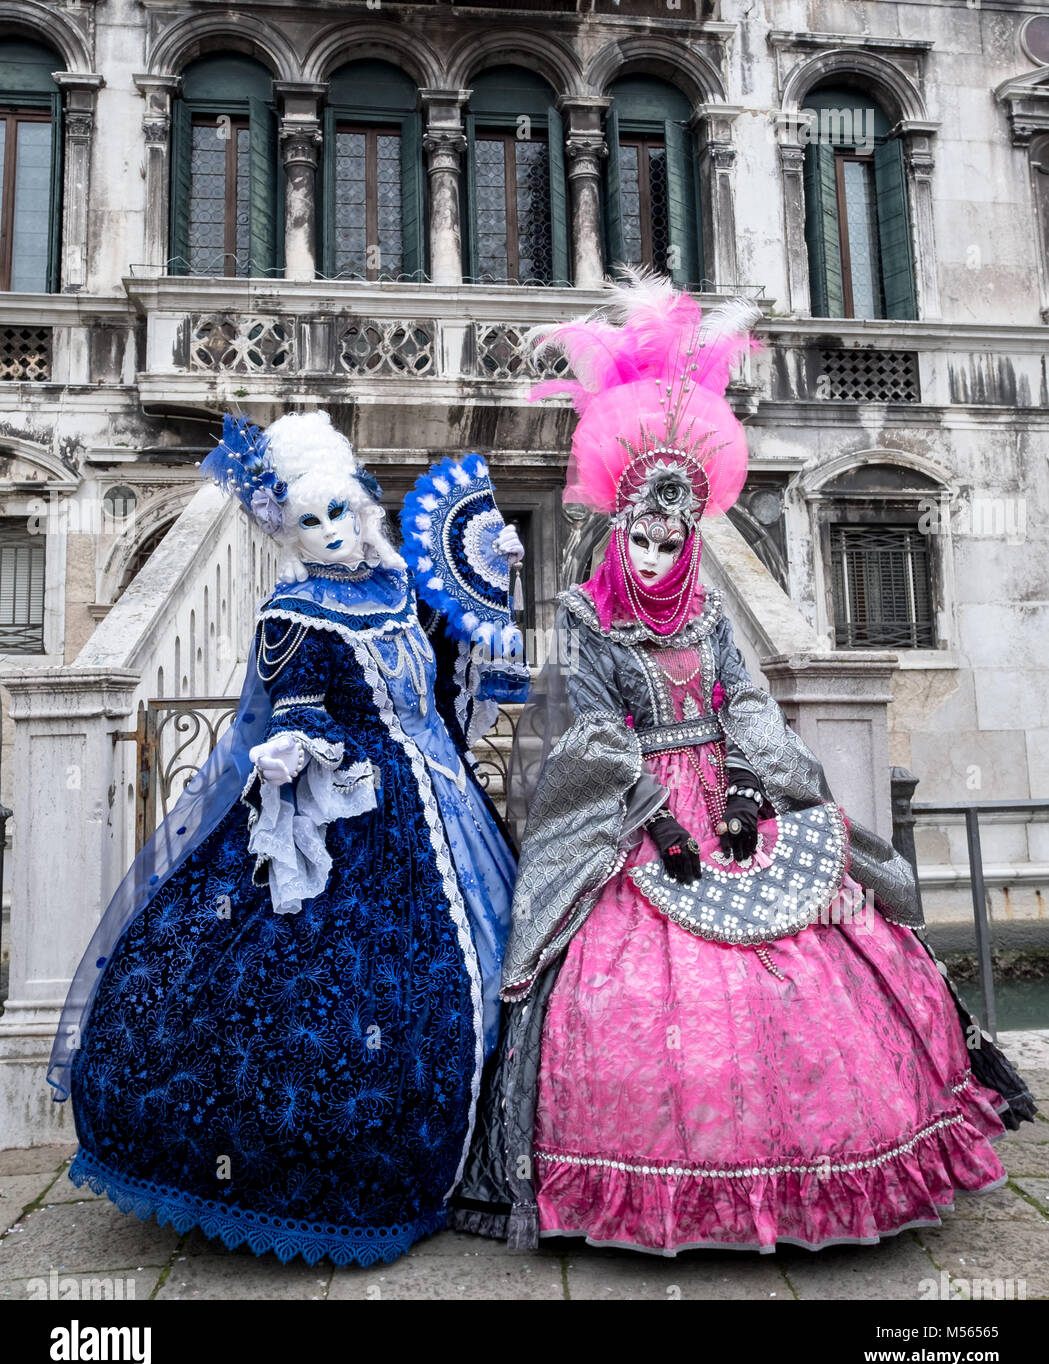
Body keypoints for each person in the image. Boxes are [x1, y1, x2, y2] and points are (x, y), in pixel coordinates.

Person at [450, 273, 1035, 1255]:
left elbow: (748, 708)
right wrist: (655, 814)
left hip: (725, 803)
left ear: (688, 534)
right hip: (629, 822)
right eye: (638, 533)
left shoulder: (713, 615)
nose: (649, 552)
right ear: (616, 525)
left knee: (815, 965)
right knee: (610, 993)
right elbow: (589, 732)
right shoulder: (588, 617)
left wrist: (752, 791)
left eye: (668, 535)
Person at [48, 410, 526, 1267]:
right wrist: (295, 741)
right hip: (346, 810)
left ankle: (488, 1146)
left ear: (362, 507)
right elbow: (296, 700)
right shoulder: (293, 612)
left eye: (340, 511)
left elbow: (448, 675)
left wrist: (494, 584)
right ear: (287, 531)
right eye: (310, 521)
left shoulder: (399, 590)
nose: (331, 533)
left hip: (443, 798)